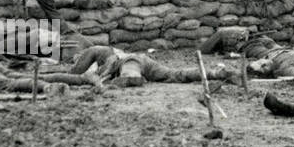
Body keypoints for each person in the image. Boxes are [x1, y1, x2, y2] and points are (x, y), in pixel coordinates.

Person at [70, 45, 241, 88]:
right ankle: (216, 73)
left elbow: (76, 73)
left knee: (131, 77)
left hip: (129, 62)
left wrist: (101, 79)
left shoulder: (96, 51)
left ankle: (135, 78)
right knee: (176, 74)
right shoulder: (101, 56)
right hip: (145, 61)